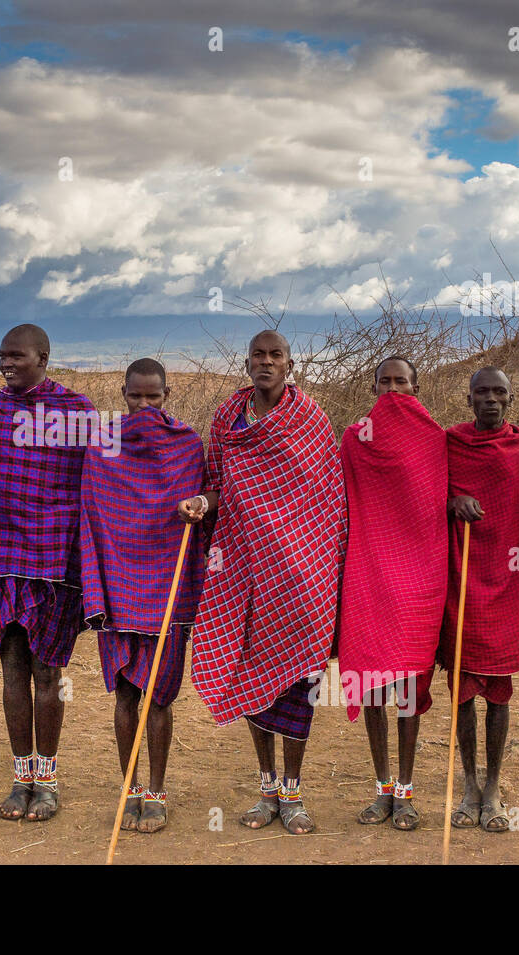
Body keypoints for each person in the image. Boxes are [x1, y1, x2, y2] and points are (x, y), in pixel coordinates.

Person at [179, 332, 347, 834]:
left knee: (298, 681)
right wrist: (202, 504)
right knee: (248, 671)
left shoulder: (311, 421)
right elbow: (217, 485)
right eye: (259, 355)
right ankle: (267, 787)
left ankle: (293, 792)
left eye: (276, 355)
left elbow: (331, 496)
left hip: (304, 574)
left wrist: (326, 563)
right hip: (244, 570)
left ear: (289, 363)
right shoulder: (228, 420)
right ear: (248, 361)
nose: (267, 362)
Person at [0, 323, 94, 822]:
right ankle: (21, 779)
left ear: (44, 357)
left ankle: (48, 780)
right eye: (1, 357)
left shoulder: (77, 412)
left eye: (17, 356)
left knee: (46, 670)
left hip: (55, 561)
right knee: (12, 667)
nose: (6, 364)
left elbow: (97, 482)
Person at [82, 358, 205, 833]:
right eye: (137, 396)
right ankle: (129, 788)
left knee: (159, 698)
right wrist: (97, 586)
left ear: (168, 395)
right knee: (125, 696)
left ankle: (156, 790)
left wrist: (196, 506)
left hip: (166, 586)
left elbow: (206, 503)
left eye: (154, 397)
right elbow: (91, 519)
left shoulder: (187, 445)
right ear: (123, 393)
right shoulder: (102, 448)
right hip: (116, 585)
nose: (145, 406)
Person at [336, 356, 447, 831]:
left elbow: (447, 493)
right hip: (368, 571)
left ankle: (406, 790)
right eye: (386, 383)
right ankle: (382, 787)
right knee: (373, 681)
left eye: (402, 382)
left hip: (420, 577)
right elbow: (338, 499)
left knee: (408, 686)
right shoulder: (355, 439)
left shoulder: (436, 440)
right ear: (375, 386)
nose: (394, 390)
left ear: (416, 387)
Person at [441, 367, 519, 833]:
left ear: (512, 397)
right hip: (460, 579)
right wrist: (451, 500)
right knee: (463, 691)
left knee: (499, 692)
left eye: (499, 392)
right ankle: (468, 784)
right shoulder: (449, 444)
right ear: (469, 399)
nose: (491, 400)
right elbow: (423, 491)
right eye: (482, 392)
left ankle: (494, 786)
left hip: (509, 581)